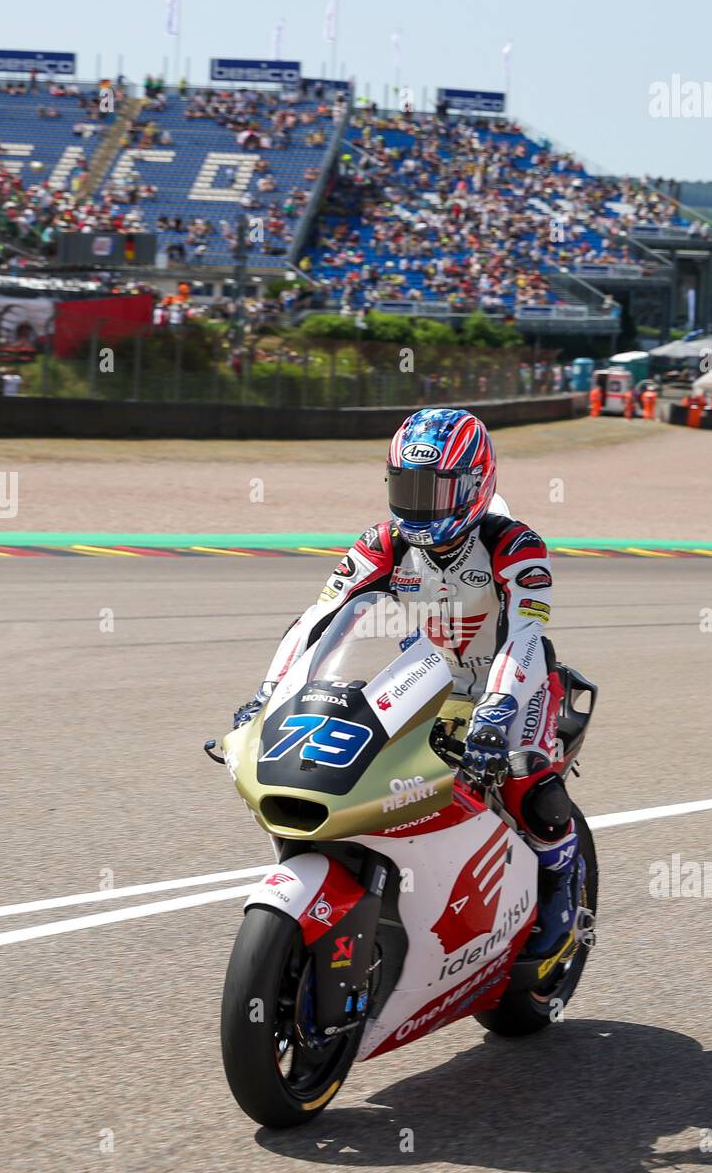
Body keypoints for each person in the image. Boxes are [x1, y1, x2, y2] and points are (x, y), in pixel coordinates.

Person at [234, 408, 583, 959]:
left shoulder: (515, 545)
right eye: (407, 485)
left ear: (474, 484)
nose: (419, 503)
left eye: (434, 489)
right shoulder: (384, 541)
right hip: (430, 680)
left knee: (525, 778)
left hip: (514, 680)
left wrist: (496, 713)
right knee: (358, 760)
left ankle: (563, 887)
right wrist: (267, 694)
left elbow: (526, 633)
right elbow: (318, 619)